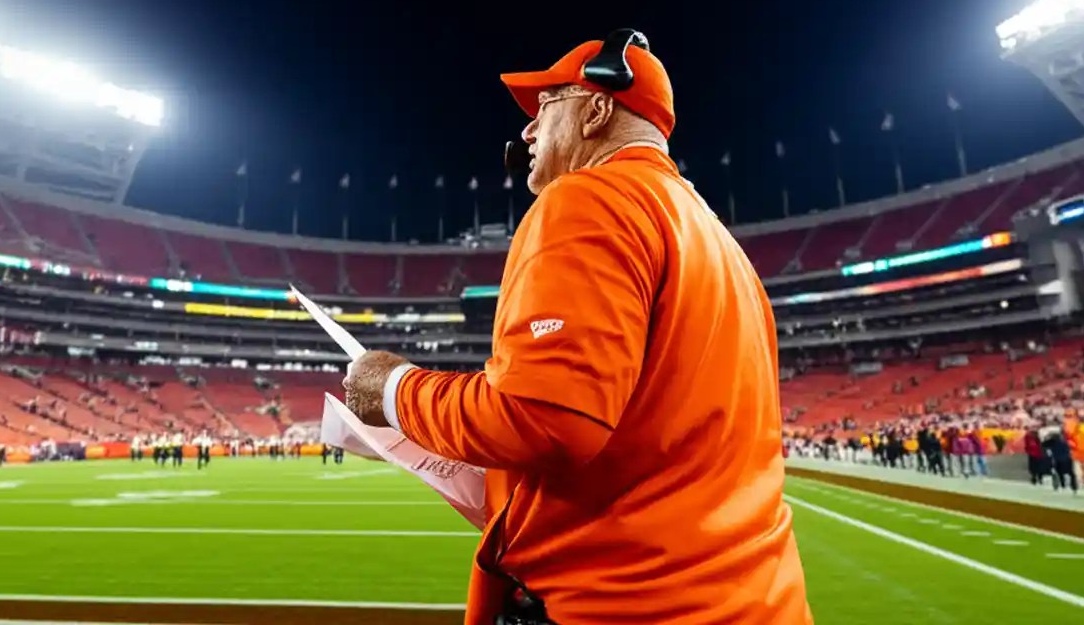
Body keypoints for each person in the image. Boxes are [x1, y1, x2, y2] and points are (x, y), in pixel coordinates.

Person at [341, 31, 812, 624]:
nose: (529, 132)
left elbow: (545, 420)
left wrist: (392, 389)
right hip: (751, 599)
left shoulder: (588, 198)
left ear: (596, 109)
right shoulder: (723, 246)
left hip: (624, 603)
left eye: (544, 107)